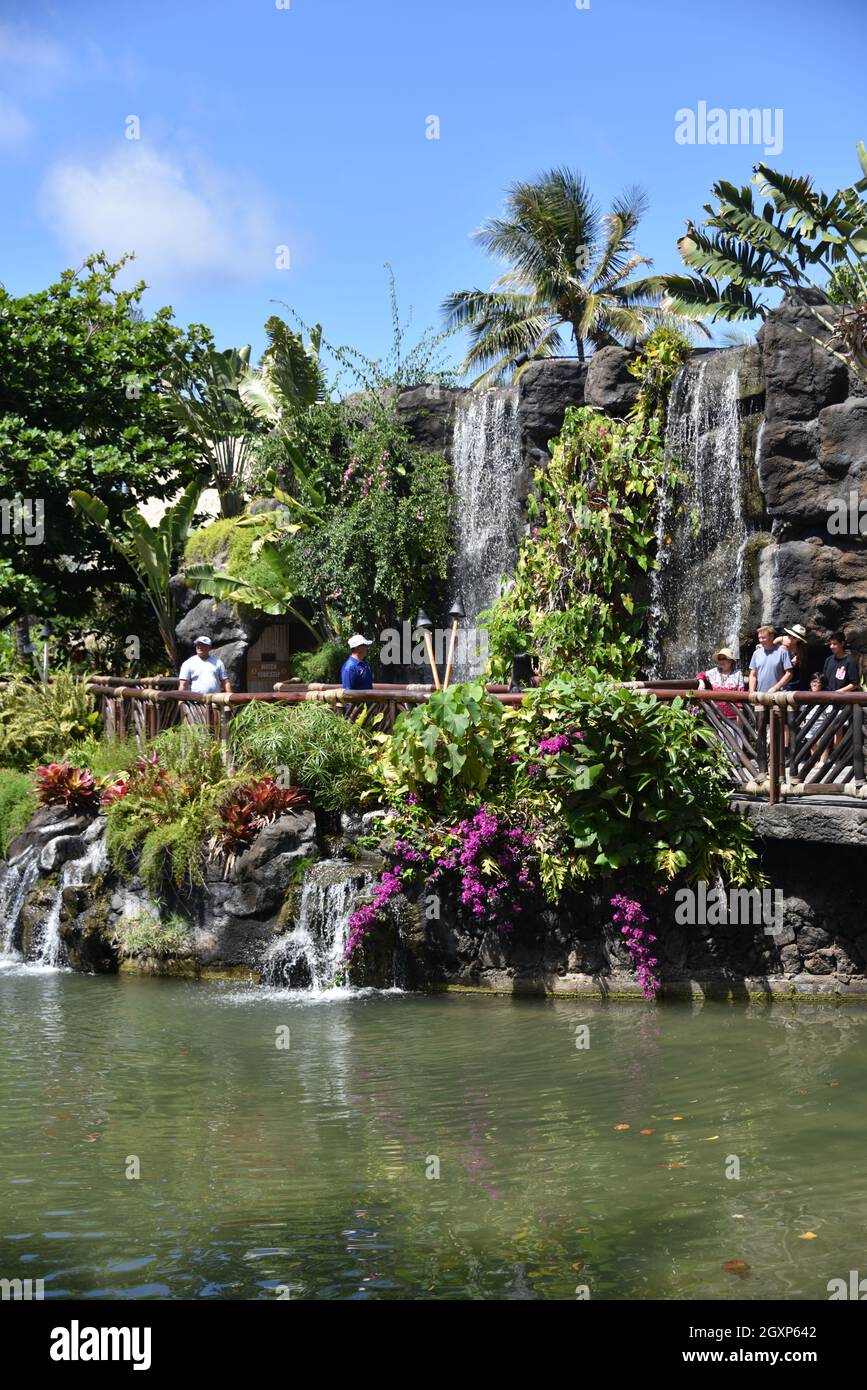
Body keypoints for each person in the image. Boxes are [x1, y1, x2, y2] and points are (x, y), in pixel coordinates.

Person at [697, 646, 744, 719]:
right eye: (720, 659)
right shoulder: (714, 672)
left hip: (733, 716)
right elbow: (700, 674)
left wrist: (740, 713)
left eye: (724, 658)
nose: (721, 661)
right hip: (717, 715)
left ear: (731, 661)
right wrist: (701, 682)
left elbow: (741, 693)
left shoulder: (738, 673)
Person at [748, 625, 792, 694]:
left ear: (771, 637)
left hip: (779, 696)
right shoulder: (756, 653)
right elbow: (752, 674)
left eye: (763, 638)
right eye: (759, 638)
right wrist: (752, 692)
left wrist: (776, 688)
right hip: (760, 695)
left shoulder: (782, 651)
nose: (761, 640)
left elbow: (789, 673)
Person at [775, 623, 808, 691]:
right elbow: (770, 648)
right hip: (778, 674)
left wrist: (794, 661)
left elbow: (798, 664)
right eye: (790, 635)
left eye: (794, 637)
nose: (791, 637)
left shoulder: (800, 649)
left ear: (799, 640)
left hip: (792, 680)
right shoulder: (781, 639)